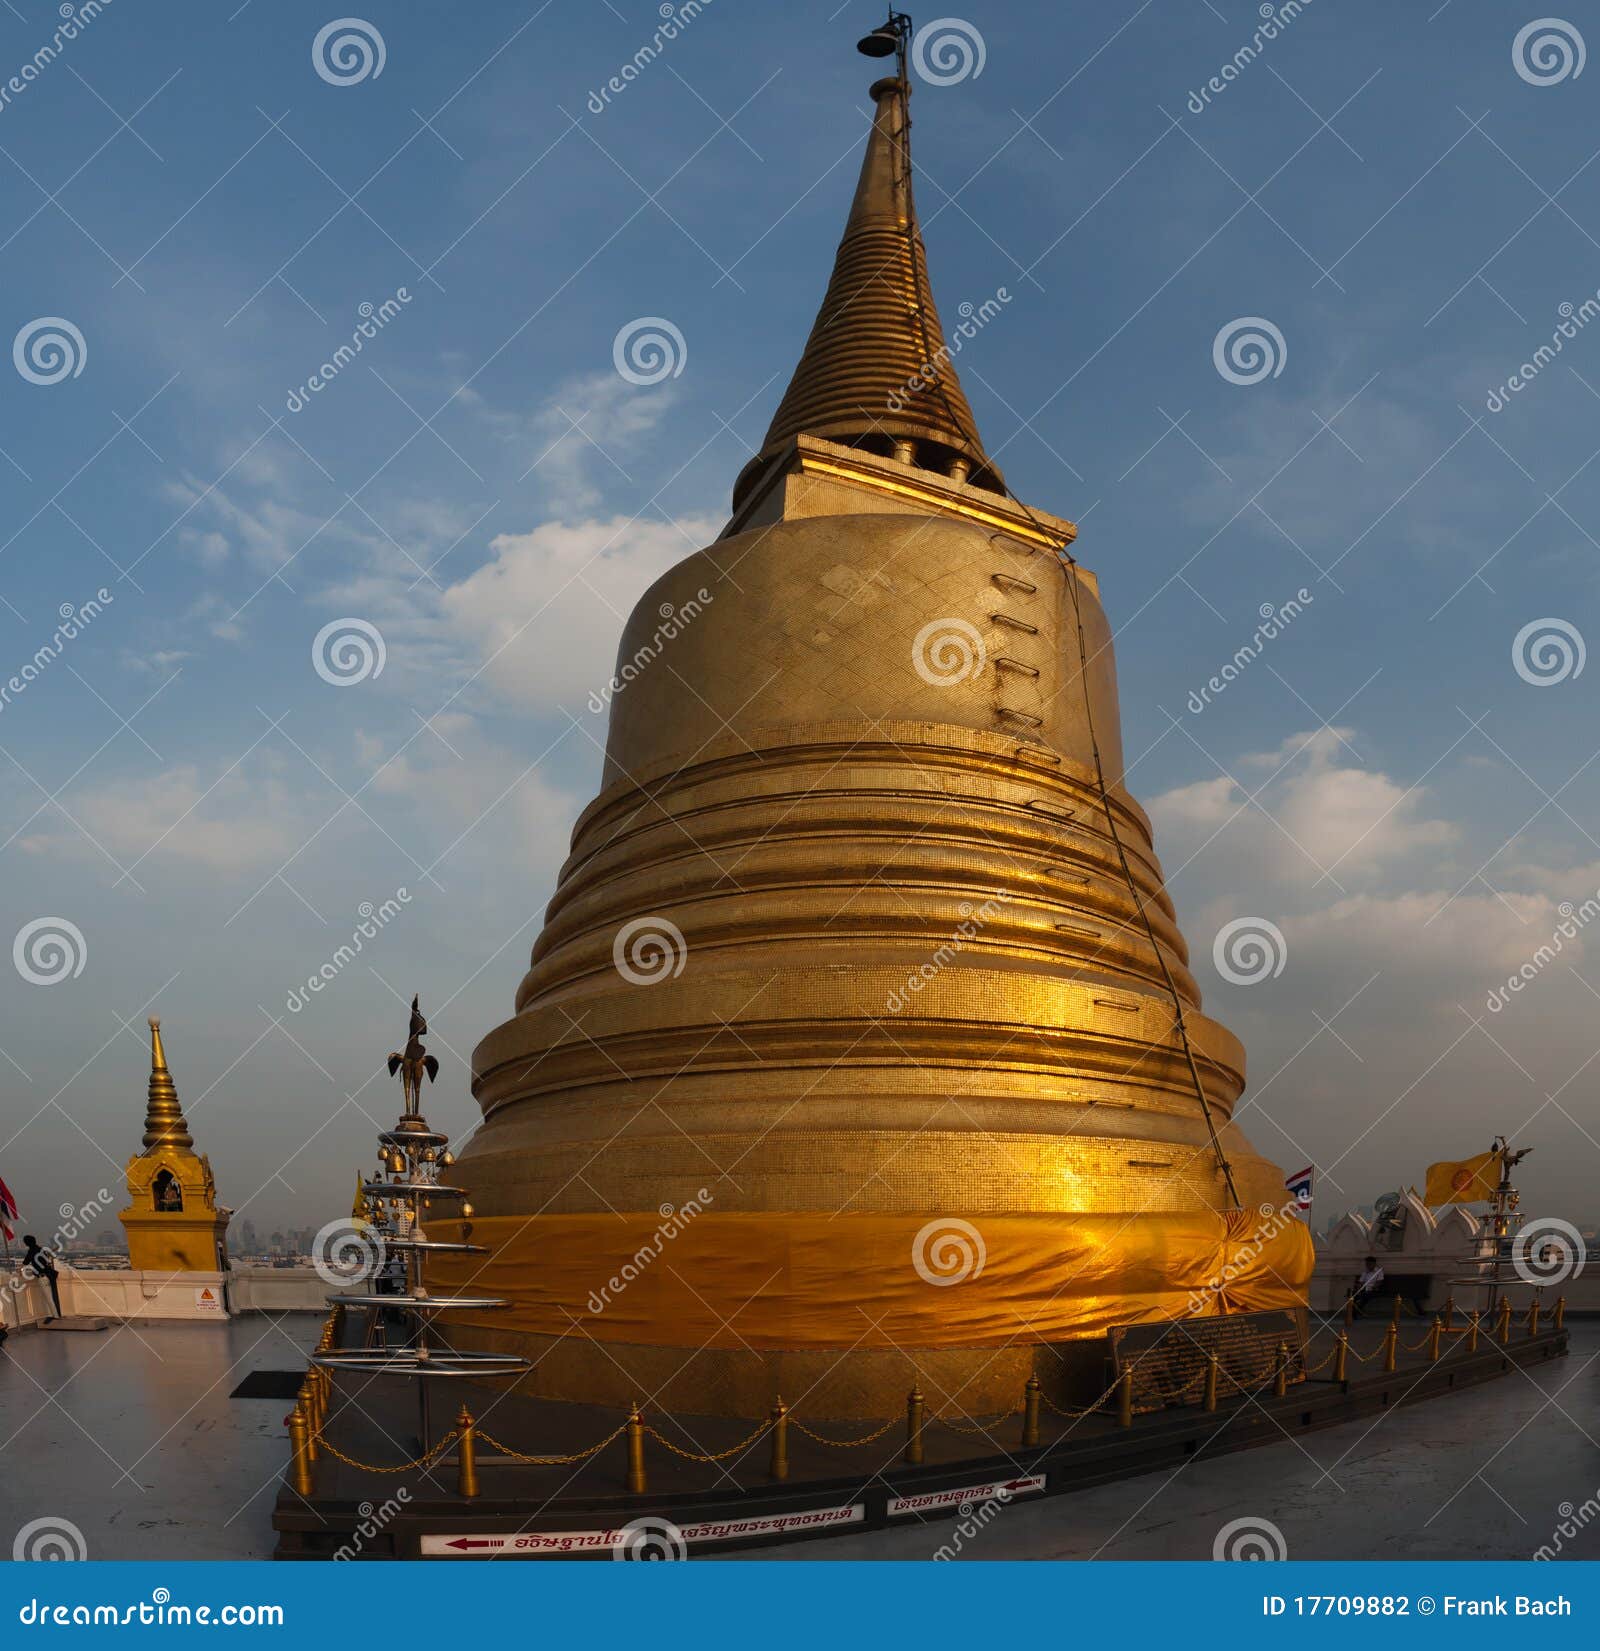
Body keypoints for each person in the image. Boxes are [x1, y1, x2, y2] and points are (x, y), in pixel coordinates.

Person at [21, 1235, 60, 1322]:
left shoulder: (31, 1251)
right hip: (49, 1275)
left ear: (27, 1243)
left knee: (49, 1297)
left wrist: (20, 1270)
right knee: (52, 1296)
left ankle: (55, 1316)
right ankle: (54, 1314)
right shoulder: (40, 1249)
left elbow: (25, 1262)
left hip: (42, 1276)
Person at [1350, 1254, 1384, 1319]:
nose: (1367, 1265)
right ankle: (1354, 1314)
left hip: (1373, 1290)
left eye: (1369, 1264)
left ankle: (1356, 1314)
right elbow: (1361, 1282)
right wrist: (1358, 1287)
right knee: (1353, 1297)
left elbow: (1380, 1282)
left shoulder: (1379, 1271)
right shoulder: (1365, 1272)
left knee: (1364, 1297)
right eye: (1366, 1264)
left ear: (1374, 1263)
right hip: (1364, 1289)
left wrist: (1373, 1287)